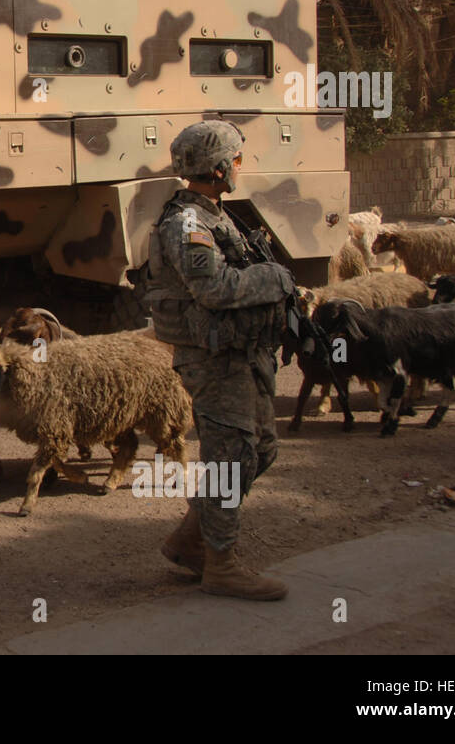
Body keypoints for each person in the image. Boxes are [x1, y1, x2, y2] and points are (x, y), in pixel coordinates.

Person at [144, 120, 295, 601]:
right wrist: (276, 279)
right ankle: (221, 564)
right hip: (211, 359)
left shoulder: (215, 215)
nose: (240, 166)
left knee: (260, 449)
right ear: (219, 167)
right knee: (229, 458)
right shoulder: (187, 223)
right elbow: (212, 288)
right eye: (235, 159)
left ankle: (191, 539)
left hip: (239, 353)